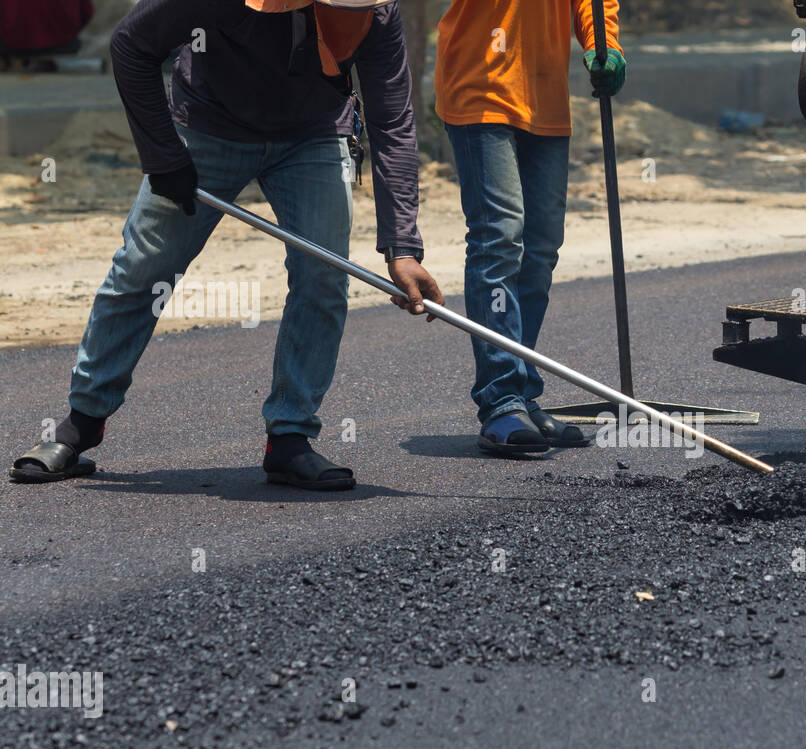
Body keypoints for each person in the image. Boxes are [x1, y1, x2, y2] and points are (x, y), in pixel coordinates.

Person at [9, 0, 442, 490]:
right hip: (207, 126)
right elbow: (130, 45)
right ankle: (81, 423)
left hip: (315, 135)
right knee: (144, 267)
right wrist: (163, 155)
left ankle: (291, 437)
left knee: (323, 278)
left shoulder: (376, 9)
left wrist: (402, 248)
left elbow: (392, 119)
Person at [434, 0, 625, 456]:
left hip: (544, 95)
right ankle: (501, 401)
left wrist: (604, 45)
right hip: (480, 87)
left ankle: (523, 390)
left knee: (539, 250)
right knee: (499, 238)